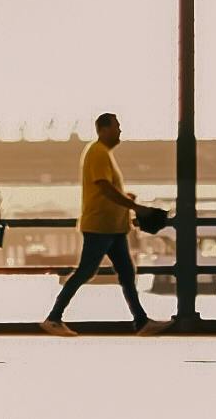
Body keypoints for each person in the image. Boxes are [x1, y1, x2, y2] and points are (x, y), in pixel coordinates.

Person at [44, 112, 151, 329]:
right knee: (86, 271)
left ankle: (141, 321)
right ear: (103, 130)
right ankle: (53, 318)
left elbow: (107, 188)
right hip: (101, 226)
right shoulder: (98, 153)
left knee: (126, 274)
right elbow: (103, 187)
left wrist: (125, 197)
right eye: (116, 126)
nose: (120, 130)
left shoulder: (102, 153)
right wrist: (135, 207)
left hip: (113, 227)